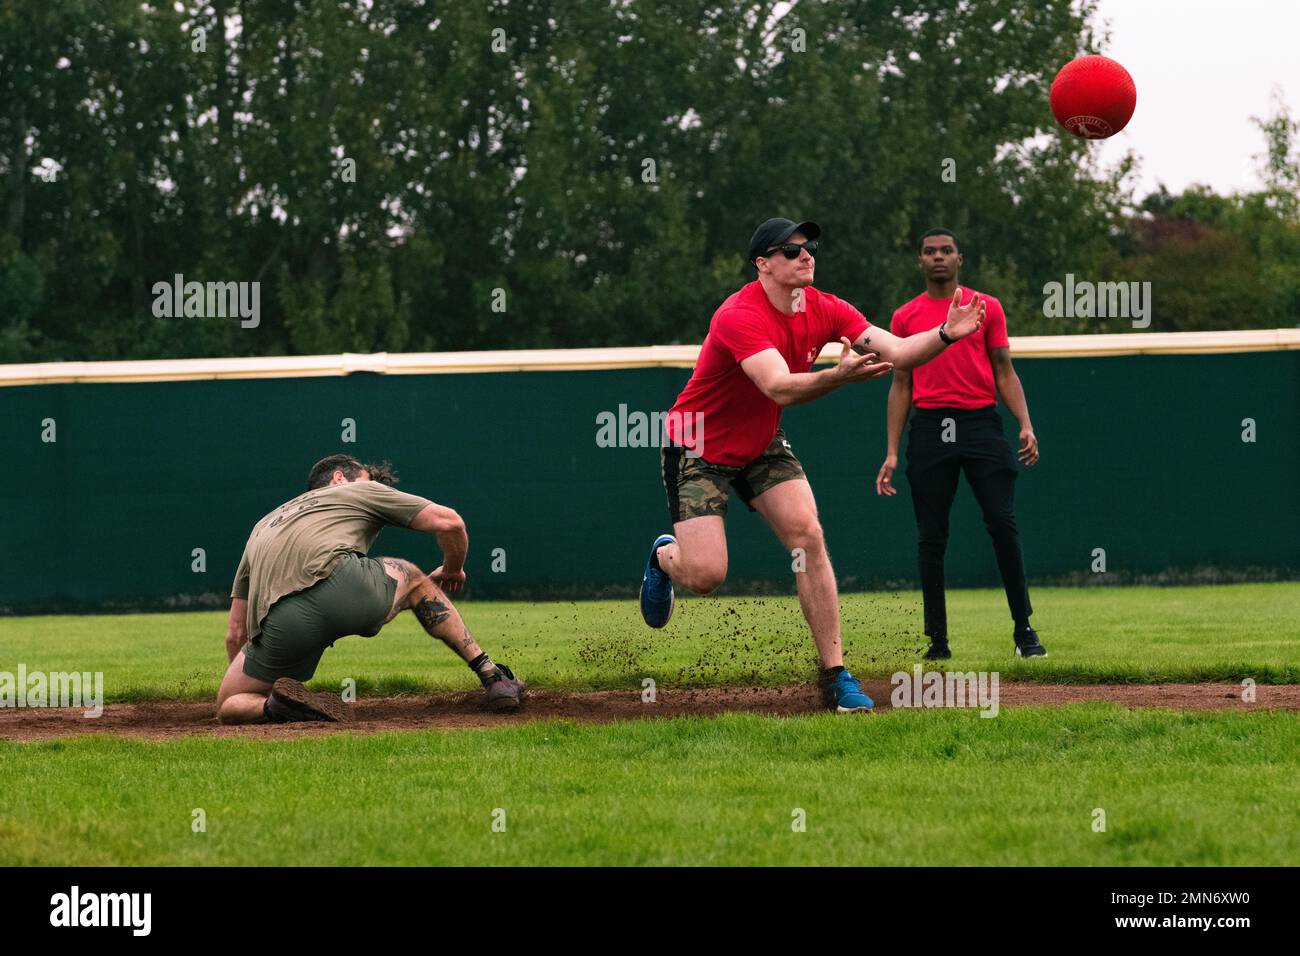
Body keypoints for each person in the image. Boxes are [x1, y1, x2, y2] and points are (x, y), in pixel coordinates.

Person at [638, 217, 987, 712]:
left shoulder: (826, 308)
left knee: (808, 536)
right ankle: (663, 558)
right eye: (790, 250)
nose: (806, 255)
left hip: (759, 441)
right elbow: (778, 386)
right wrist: (838, 377)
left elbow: (903, 352)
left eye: (810, 247)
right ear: (763, 264)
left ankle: (835, 675)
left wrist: (946, 334)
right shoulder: (739, 314)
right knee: (706, 576)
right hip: (698, 443)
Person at [216, 454, 526, 723]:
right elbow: (450, 522)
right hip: (346, 590)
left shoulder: (263, 524)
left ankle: (275, 706)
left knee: (229, 704)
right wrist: (453, 568)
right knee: (415, 578)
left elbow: (235, 631)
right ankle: (494, 677)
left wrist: (257, 681)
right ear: (340, 478)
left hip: (282, 626)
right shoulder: (357, 489)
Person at [875, 228, 1046, 659]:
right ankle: (938, 641)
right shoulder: (905, 316)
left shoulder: (985, 306)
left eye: (946, 251)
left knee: (1001, 521)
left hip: (981, 425)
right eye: (930, 251)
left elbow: (1004, 371)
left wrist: (1024, 423)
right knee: (931, 536)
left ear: (959, 258)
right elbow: (901, 383)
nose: (938, 257)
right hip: (931, 429)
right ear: (920, 260)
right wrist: (892, 451)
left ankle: (1024, 630)